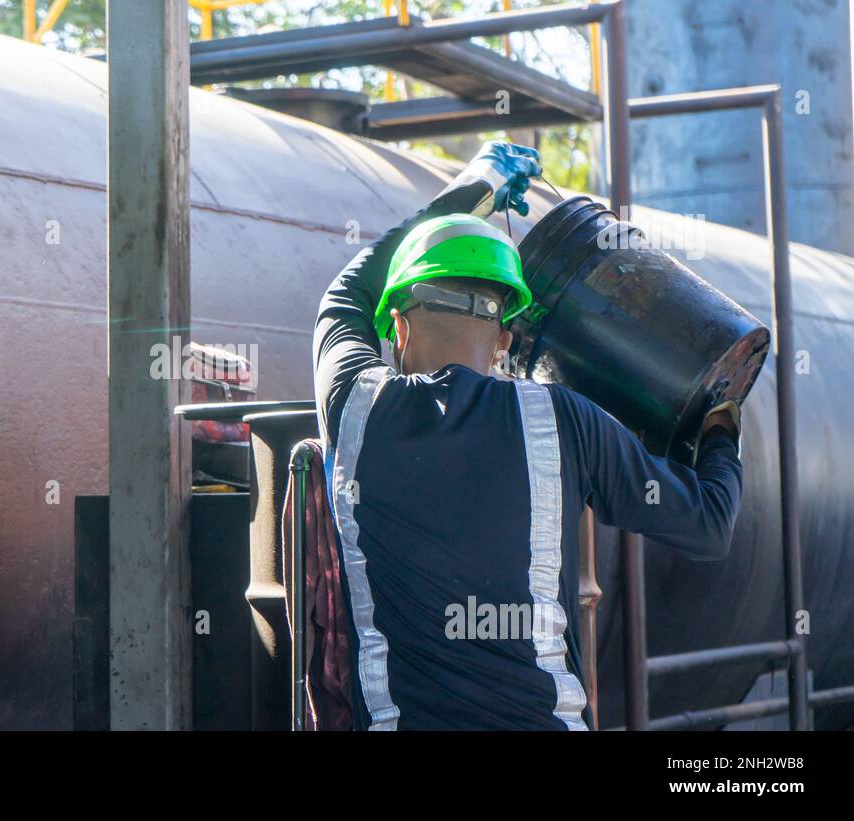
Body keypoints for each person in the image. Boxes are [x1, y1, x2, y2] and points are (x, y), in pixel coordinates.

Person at [313, 140, 743, 730]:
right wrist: (720, 425)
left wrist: (474, 187)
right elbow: (710, 522)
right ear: (505, 339)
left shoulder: (355, 404)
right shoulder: (564, 420)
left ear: (399, 328)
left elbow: (344, 296)